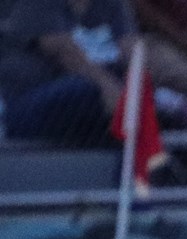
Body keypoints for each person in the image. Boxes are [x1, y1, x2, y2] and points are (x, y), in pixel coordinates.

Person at [0, 0, 135, 144]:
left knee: (145, 102)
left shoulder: (112, 4)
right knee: (88, 91)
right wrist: (108, 88)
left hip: (92, 98)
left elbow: (131, 49)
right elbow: (61, 49)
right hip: (26, 105)